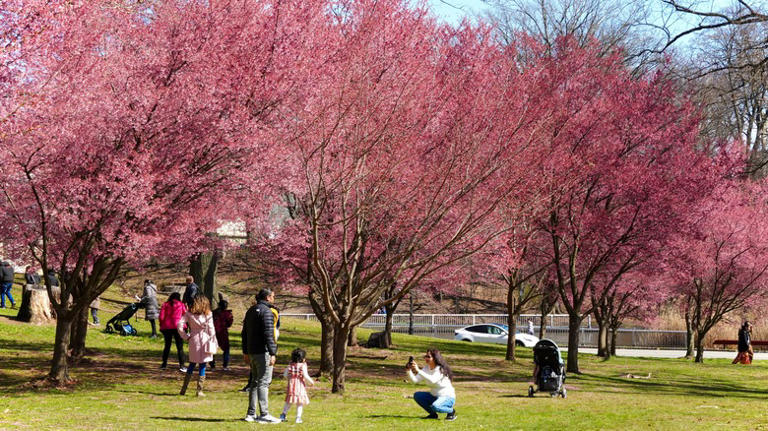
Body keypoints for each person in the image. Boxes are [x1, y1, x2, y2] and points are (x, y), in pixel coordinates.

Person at [242, 288, 279, 423]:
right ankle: (264, 413)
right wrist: (273, 353)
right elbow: (269, 334)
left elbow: (244, 333)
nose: (274, 299)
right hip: (263, 353)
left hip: (252, 352)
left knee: (254, 383)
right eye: (273, 296)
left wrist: (245, 351)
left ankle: (251, 414)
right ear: (268, 297)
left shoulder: (250, 311)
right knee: (263, 382)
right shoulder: (267, 312)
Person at [177, 295, 217, 397]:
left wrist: (185, 336)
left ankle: (183, 389)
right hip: (205, 339)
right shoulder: (208, 314)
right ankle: (199, 390)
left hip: (193, 339)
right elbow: (212, 330)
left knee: (192, 364)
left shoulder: (189, 314)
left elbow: (179, 325)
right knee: (203, 365)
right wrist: (213, 340)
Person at [407, 348, 457, 421]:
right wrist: (408, 370)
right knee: (417, 395)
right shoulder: (426, 368)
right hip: (435, 396)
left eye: (428, 356)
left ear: (435, 358)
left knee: (436, 406)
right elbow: (415, 380)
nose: (426, 358)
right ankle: (433, 414)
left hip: (447, 398)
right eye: (425, 356)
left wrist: (418, 370)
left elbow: (432, 380)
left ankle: (451, 412)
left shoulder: (440, 369)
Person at [279, 348, 315, 424]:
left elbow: (285, 375)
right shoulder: (303, 366)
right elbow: (305, 375)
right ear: (303, 359)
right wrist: (311, 382)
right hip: (300, 386)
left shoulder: (290, 365)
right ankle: (298, 418)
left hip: (291, 386)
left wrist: (290, 378)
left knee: (289, 401)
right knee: (300, 402)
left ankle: (283, 414)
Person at [159, 292, 187, 371]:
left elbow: (161, 316)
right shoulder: (181, 305)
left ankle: (164, 364)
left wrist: (161, 325)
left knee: (167, 346)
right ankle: (182, 365)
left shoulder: (165, 304)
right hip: (178, 327)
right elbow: (185, 315)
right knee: (180, 347)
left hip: (167, 326)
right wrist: (185, 326)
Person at [211, 295, 233, 370]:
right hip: (223, 332)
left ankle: (212, 365)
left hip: (213, 332)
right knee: (226, 349)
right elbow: (229, 324)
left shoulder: (213, 313)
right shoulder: (227, 314)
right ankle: (225, 366)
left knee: (212, 349)